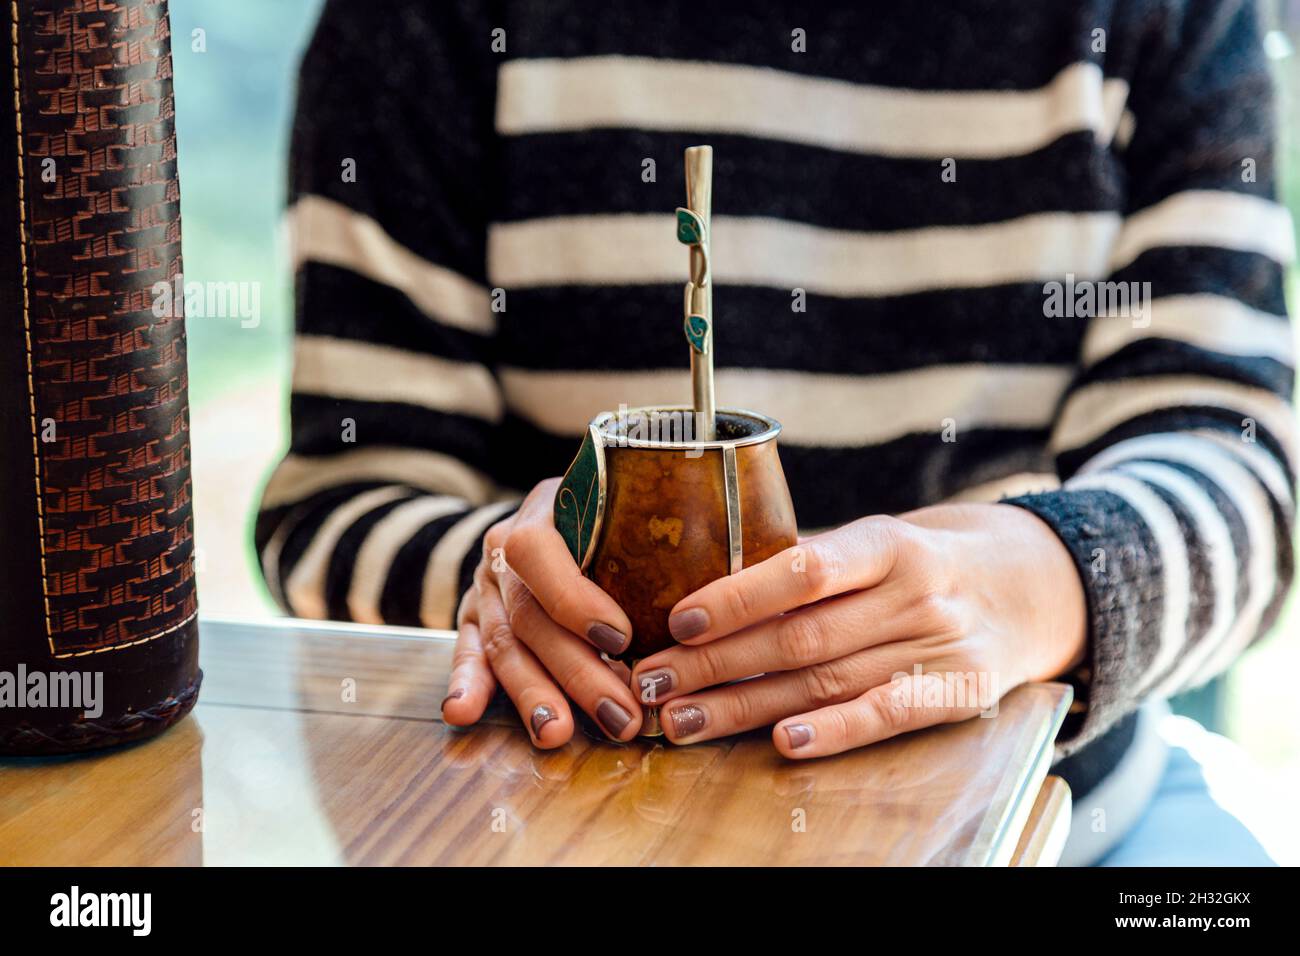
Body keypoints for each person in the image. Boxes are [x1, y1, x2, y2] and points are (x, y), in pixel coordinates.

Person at [255, 0, 1295, 865]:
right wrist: (517, 598)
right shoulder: (420, 24)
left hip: (1069, 820)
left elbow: (1241, 473)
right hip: (559, 822)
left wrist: (1047, 577)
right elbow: (340, 503)